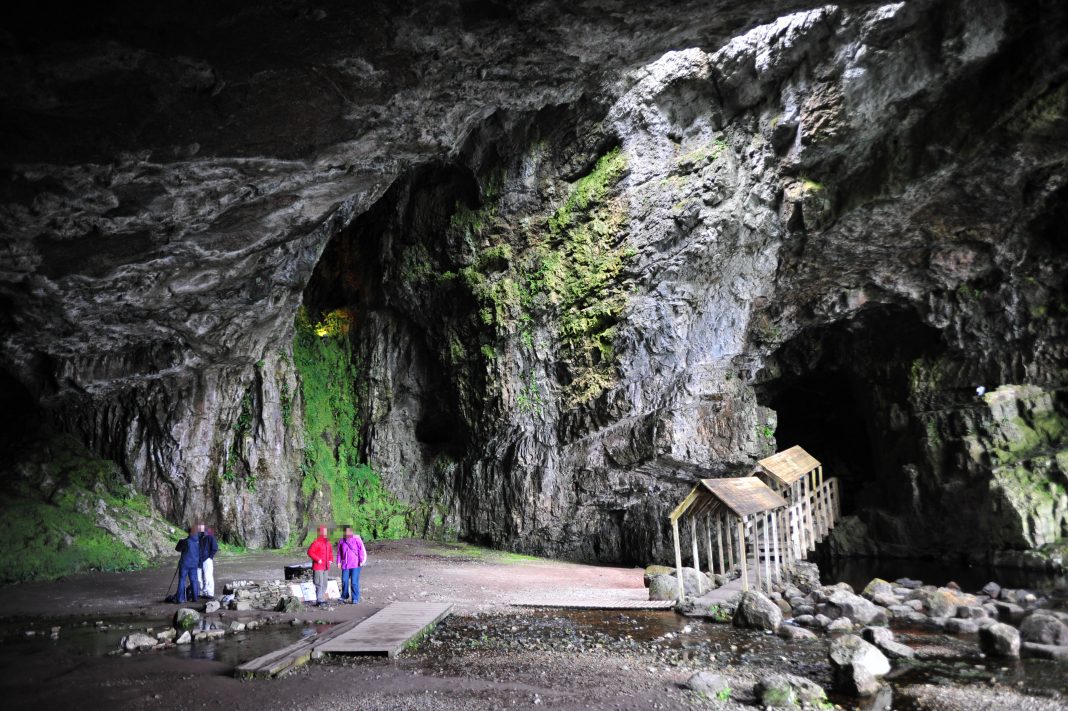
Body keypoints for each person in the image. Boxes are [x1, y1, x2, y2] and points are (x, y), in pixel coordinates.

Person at [335, 526, 367, 604]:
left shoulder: (357, 539)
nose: (347, 533)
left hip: (355, 564)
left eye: (349, 531)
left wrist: (361, 560)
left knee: (354, 582)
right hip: (345, 564)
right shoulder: (341, 541)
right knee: (344, 580)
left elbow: (361, 550)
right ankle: (344, 595)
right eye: (346, 532)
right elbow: (339, 552)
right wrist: (338, 562)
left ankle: (355, 598)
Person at [306, 526, 334, 606]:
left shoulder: (327, 543)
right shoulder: (316, 542)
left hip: (326, 566)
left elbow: (330, 553)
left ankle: (321, 598)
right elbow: (310, 552)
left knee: (324, 583)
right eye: (324, 532)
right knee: (319, 583)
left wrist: (330, 559)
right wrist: (318, 559)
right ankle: (319, 600)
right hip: (318, 566)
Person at [174, 526, 201, 603]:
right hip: (194, 564)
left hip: (185, 564)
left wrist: (180, 541)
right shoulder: (198, 541)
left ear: (189, 532)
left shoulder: (186, 541)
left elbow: (177, 549)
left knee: (182, 580)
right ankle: (195, 598)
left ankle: (180, 599)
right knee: (194, 581)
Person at [198, 524, 219, 600]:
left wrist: (210, 557)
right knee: (200, 577)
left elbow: (215, 548)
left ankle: (210, 593)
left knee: (208, 576)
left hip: (207, 560)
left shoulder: (210, 537)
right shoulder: (200, 538)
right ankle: (203, 592)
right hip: (200, 560)